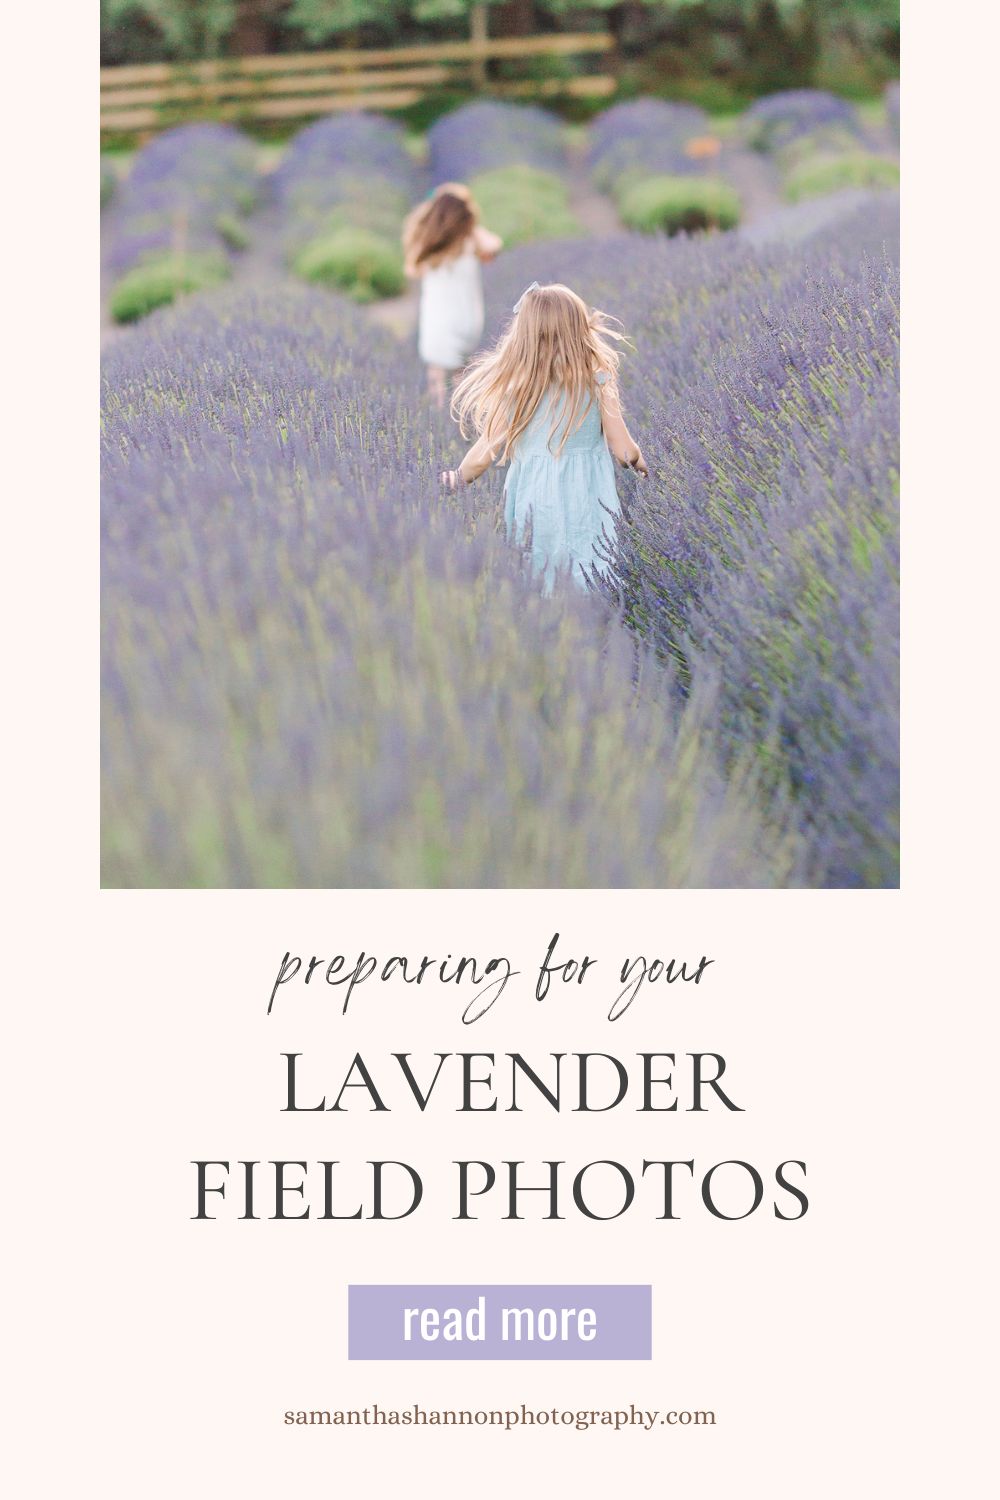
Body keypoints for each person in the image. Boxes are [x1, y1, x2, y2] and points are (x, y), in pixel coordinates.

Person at [441, 282, 648, 592]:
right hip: (587, 495)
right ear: (580, 331)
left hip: (533, 496)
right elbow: (622, 448)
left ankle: (549, 628)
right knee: (592, 563)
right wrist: (639, 460)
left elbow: (485, 451)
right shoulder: (598, 381)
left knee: (538, 567)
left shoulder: (517, 390)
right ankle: (598, 627)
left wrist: (458, 478)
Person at [403, 183, 503, 407]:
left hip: (439, 320)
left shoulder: (428, 245)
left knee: (438, 375)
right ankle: (461, 422)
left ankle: (440, 423)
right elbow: (494, 246)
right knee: (461, 376)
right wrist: (473, 228)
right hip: (467, 318)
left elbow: (412, 270)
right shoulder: (470, 241)